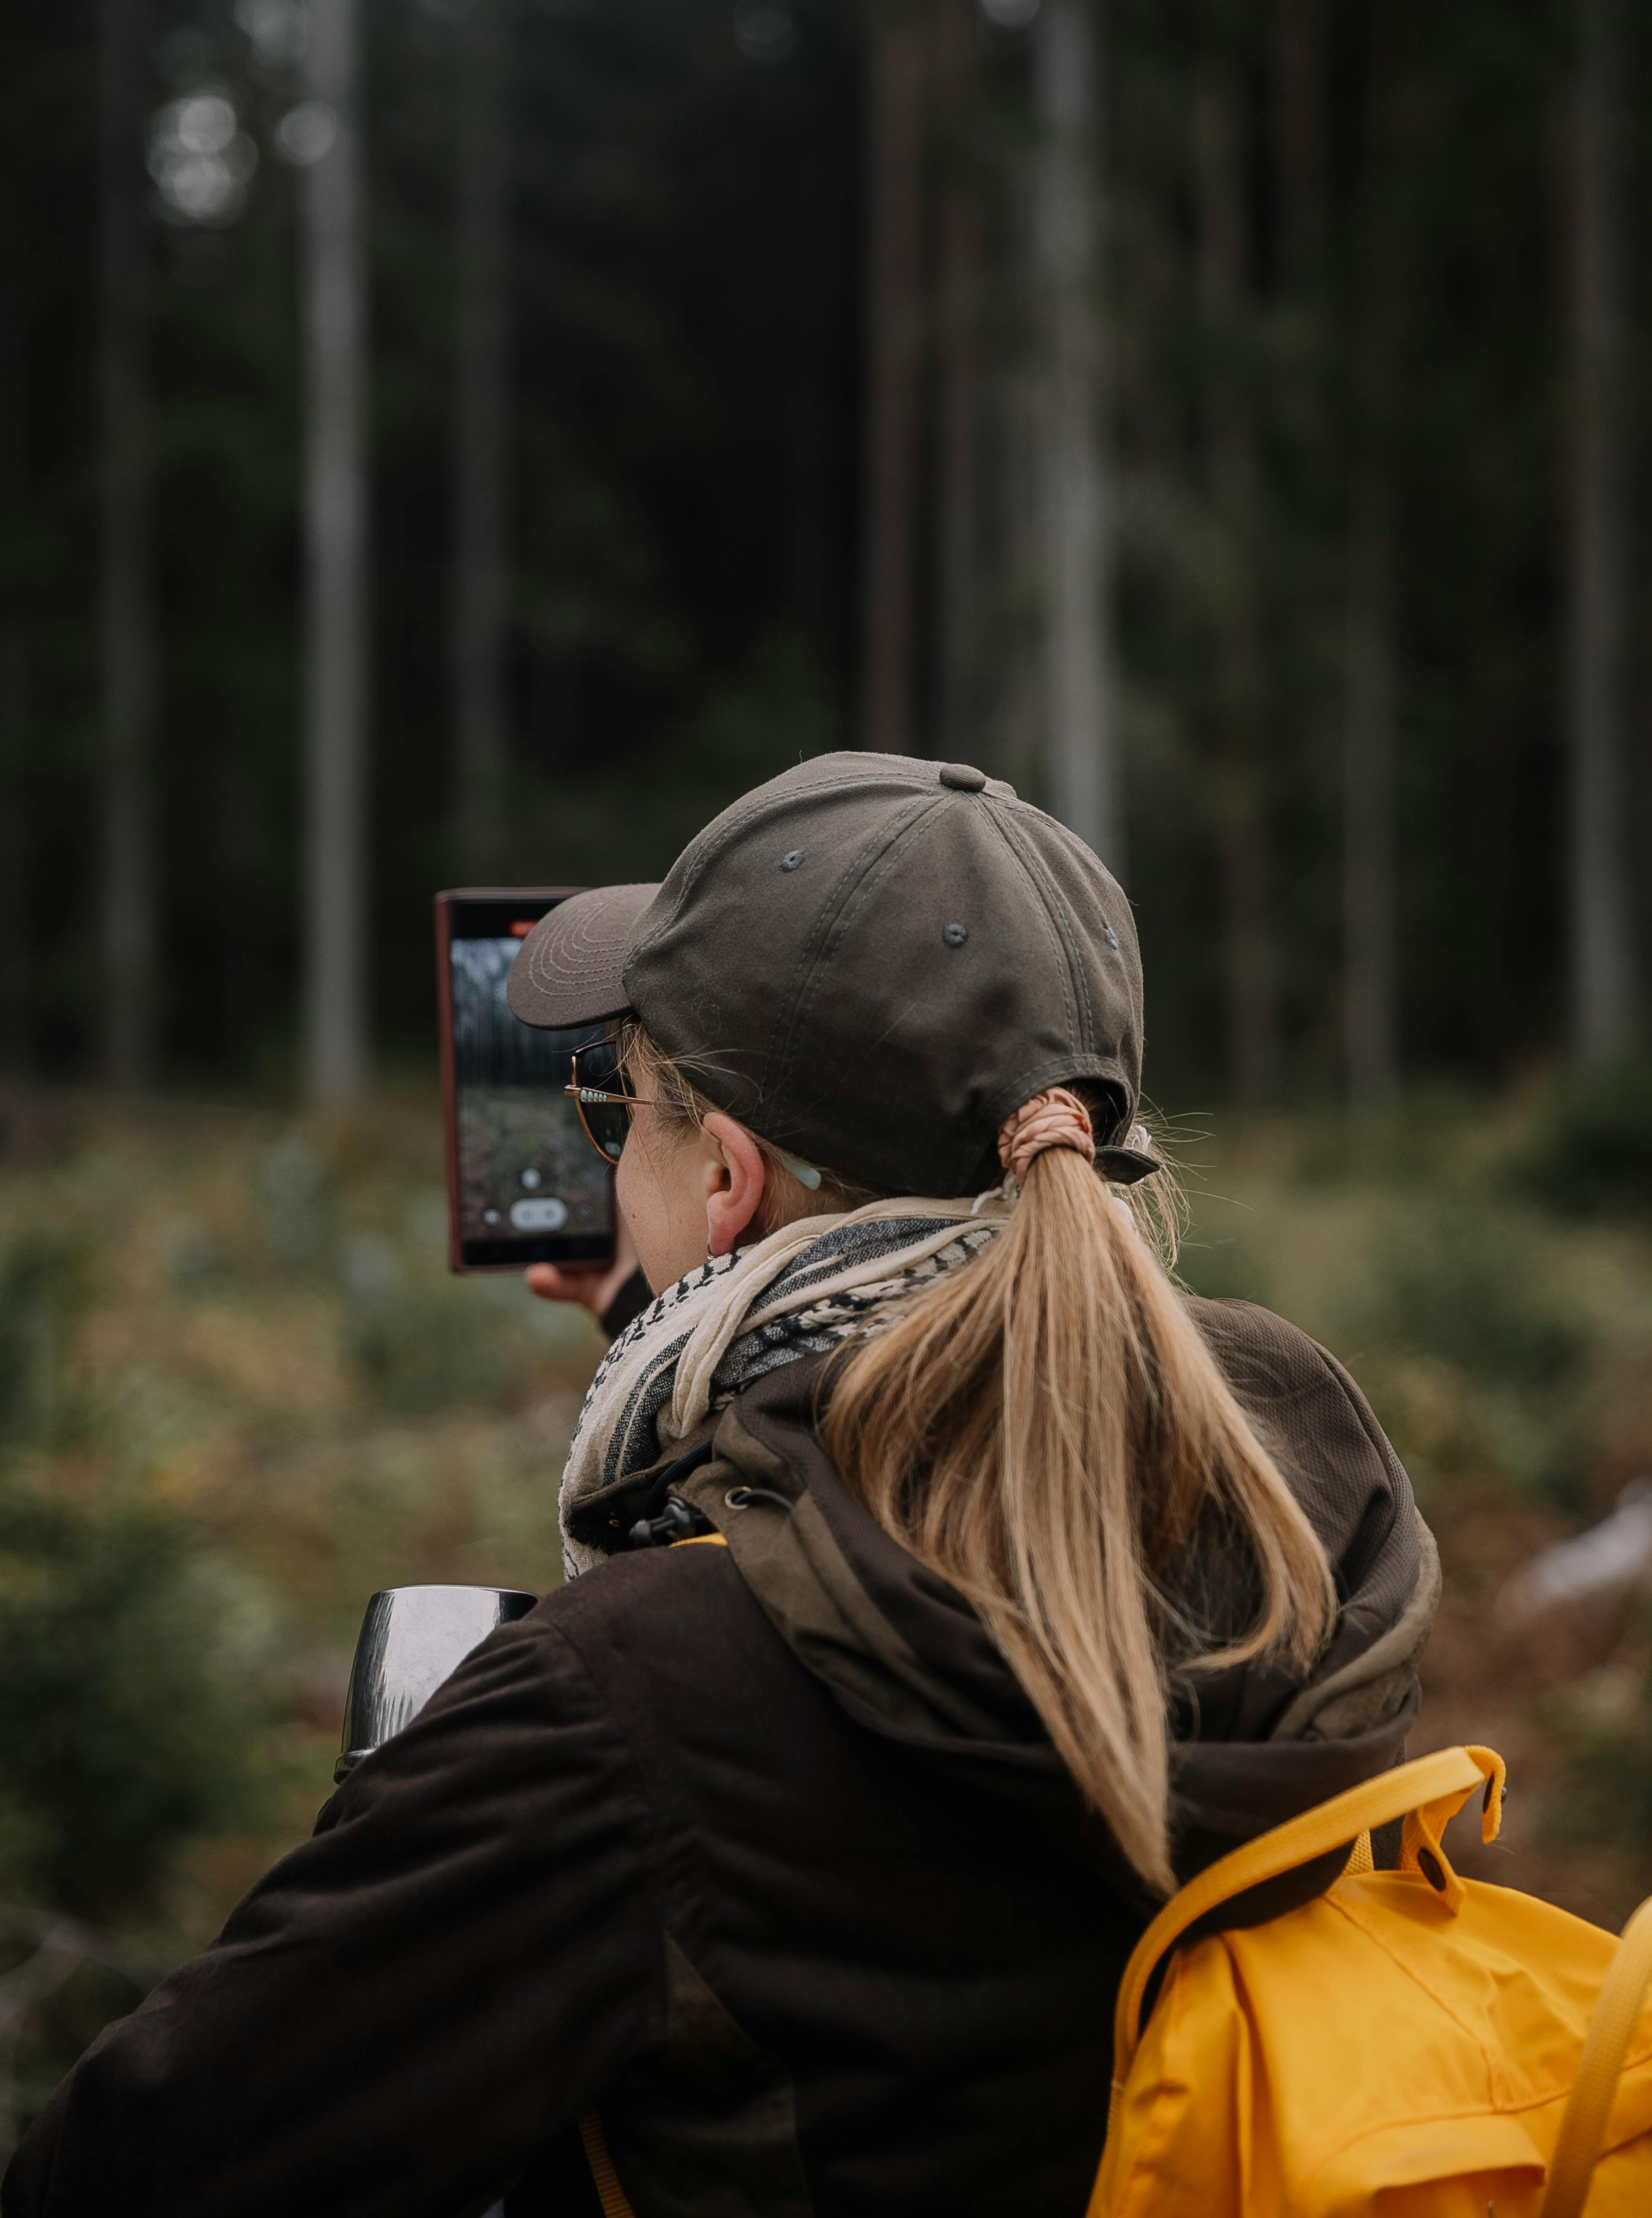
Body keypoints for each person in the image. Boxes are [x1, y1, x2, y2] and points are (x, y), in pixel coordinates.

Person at [2, 752, 1437, 2218]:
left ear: (729, 1182)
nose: (614, 1153)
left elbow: (137, 2174)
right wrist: (694, 1332)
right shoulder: (1299, 1530)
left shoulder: (622, 1710)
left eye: (620, 1111)